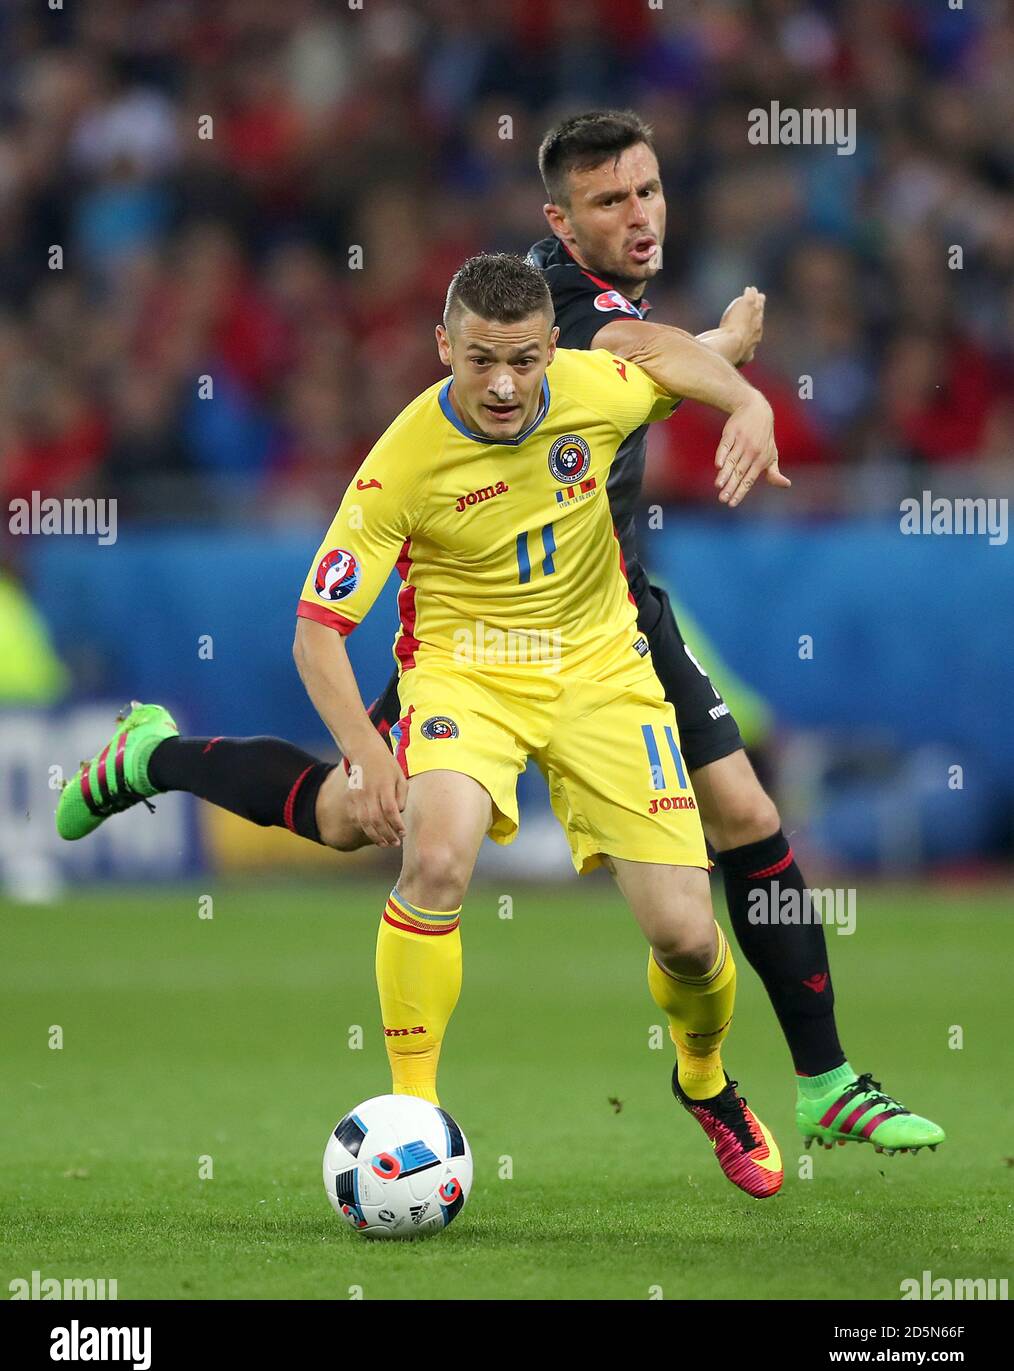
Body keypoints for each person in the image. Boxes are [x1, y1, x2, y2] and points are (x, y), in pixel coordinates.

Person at [59, 252, 786, 1198]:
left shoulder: (595, 389)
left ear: (552, 348)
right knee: (428, 853)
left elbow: (670, 359)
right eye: (479, 359)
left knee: (689, 937)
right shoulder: (403, 459)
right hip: (463, 673)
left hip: (605, 673)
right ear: (444, 346)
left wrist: (740, 368)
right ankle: (411, 1112)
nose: (503, 384)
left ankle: (705, 1081)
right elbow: (317, 634)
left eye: (524, 360)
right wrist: (369, 753)